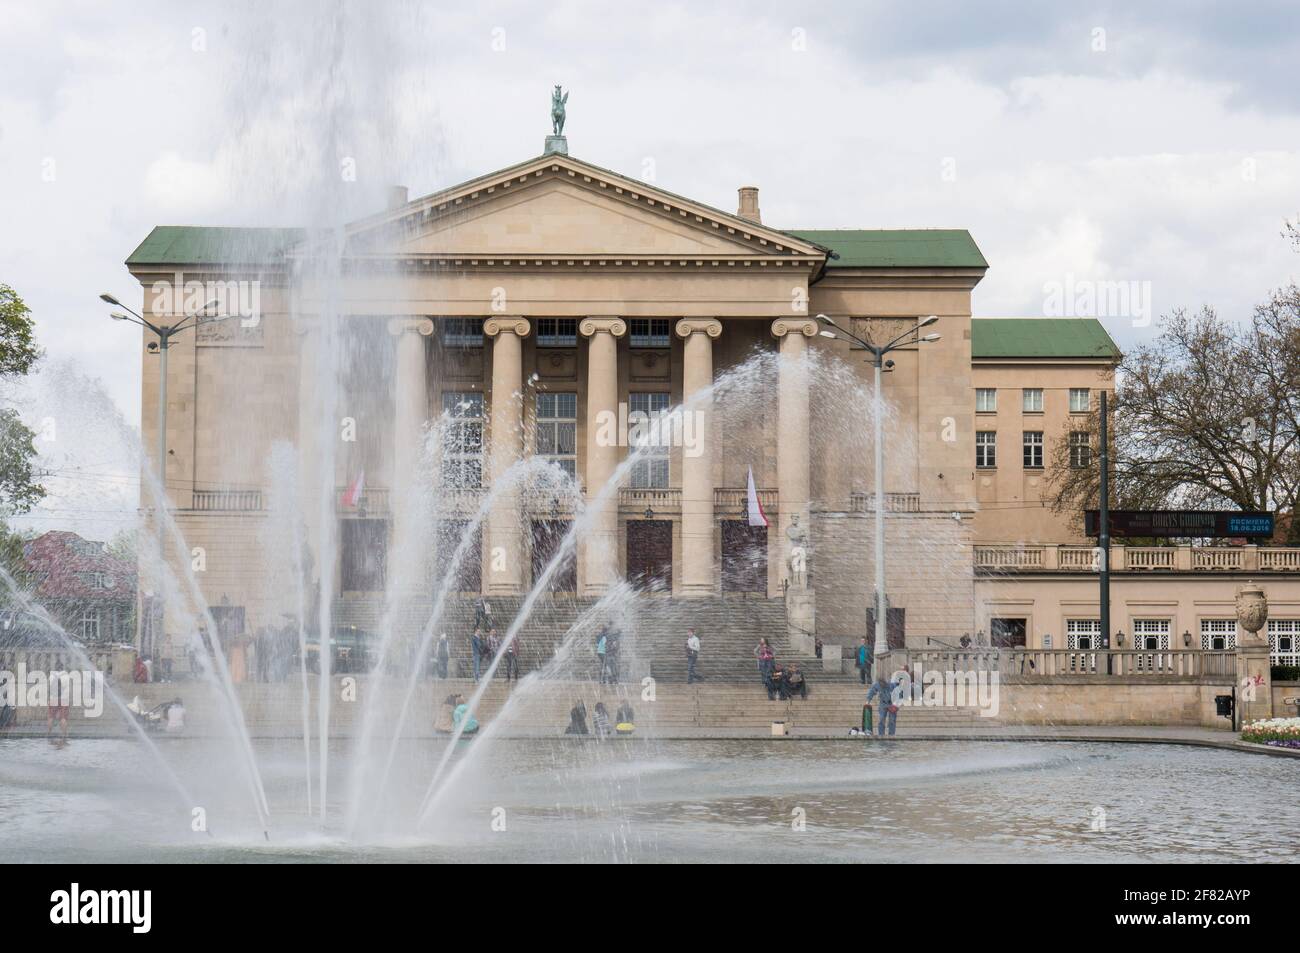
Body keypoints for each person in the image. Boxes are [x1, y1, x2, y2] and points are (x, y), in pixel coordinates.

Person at [47, 667, 71, 747]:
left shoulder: (51, 676)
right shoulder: (66, 676)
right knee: (63, 718)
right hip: (64, 699)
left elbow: (49, 689)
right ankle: (64, 735)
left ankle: (49, 733)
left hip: (53, 698)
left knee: (51, 717)